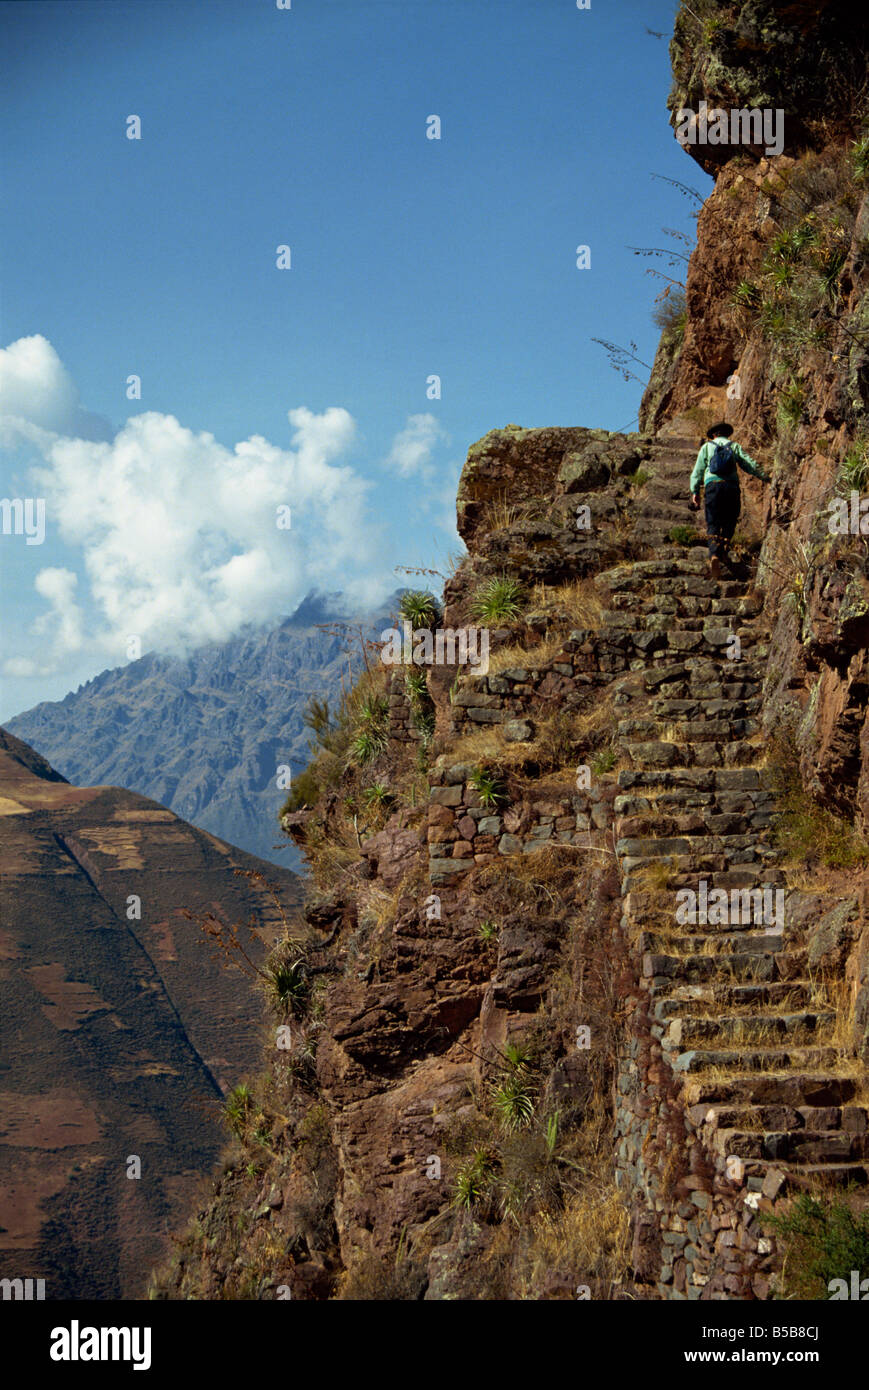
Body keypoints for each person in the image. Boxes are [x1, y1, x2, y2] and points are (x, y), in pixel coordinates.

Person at [690, 423, 771, 578]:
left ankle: (714, 554)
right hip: (731, 487)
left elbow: (697, 471)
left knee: (713, 521)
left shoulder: (706, 448)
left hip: (712, 487)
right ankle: (724, 552)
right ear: (727, 435)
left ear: (713, 435)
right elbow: (748, 463)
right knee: (730, 520)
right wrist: (765, 476)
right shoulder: (733, 446)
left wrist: (695, 492)